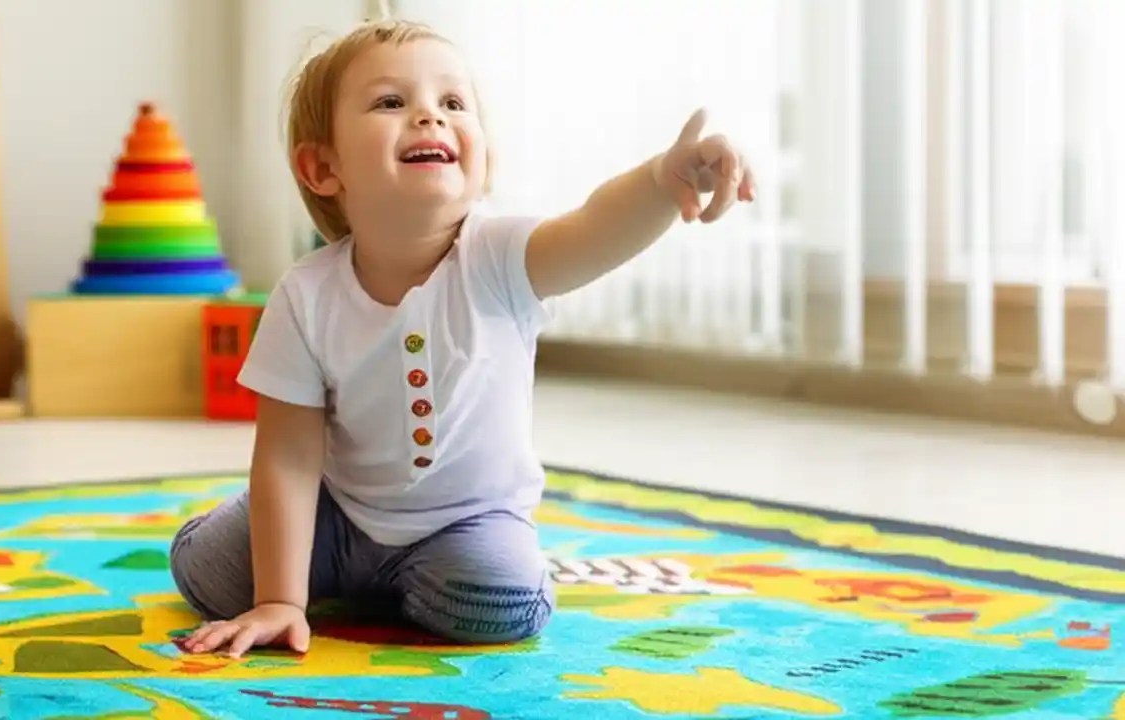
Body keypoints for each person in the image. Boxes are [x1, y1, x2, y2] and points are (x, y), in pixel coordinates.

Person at [169, 18, 755, 658]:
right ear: (322, 167)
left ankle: (397, 582)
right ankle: (343, 579)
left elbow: (594, 230)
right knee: (207, 575)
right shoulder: (304, 295)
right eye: (392, 102)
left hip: (465, 520)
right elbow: (286, 455)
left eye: (452, 103)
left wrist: (660, 184)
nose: (430, 117)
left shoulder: (501, 259)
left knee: (504, 601)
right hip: (335, 514)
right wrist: (279, 599)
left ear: (483, 158)